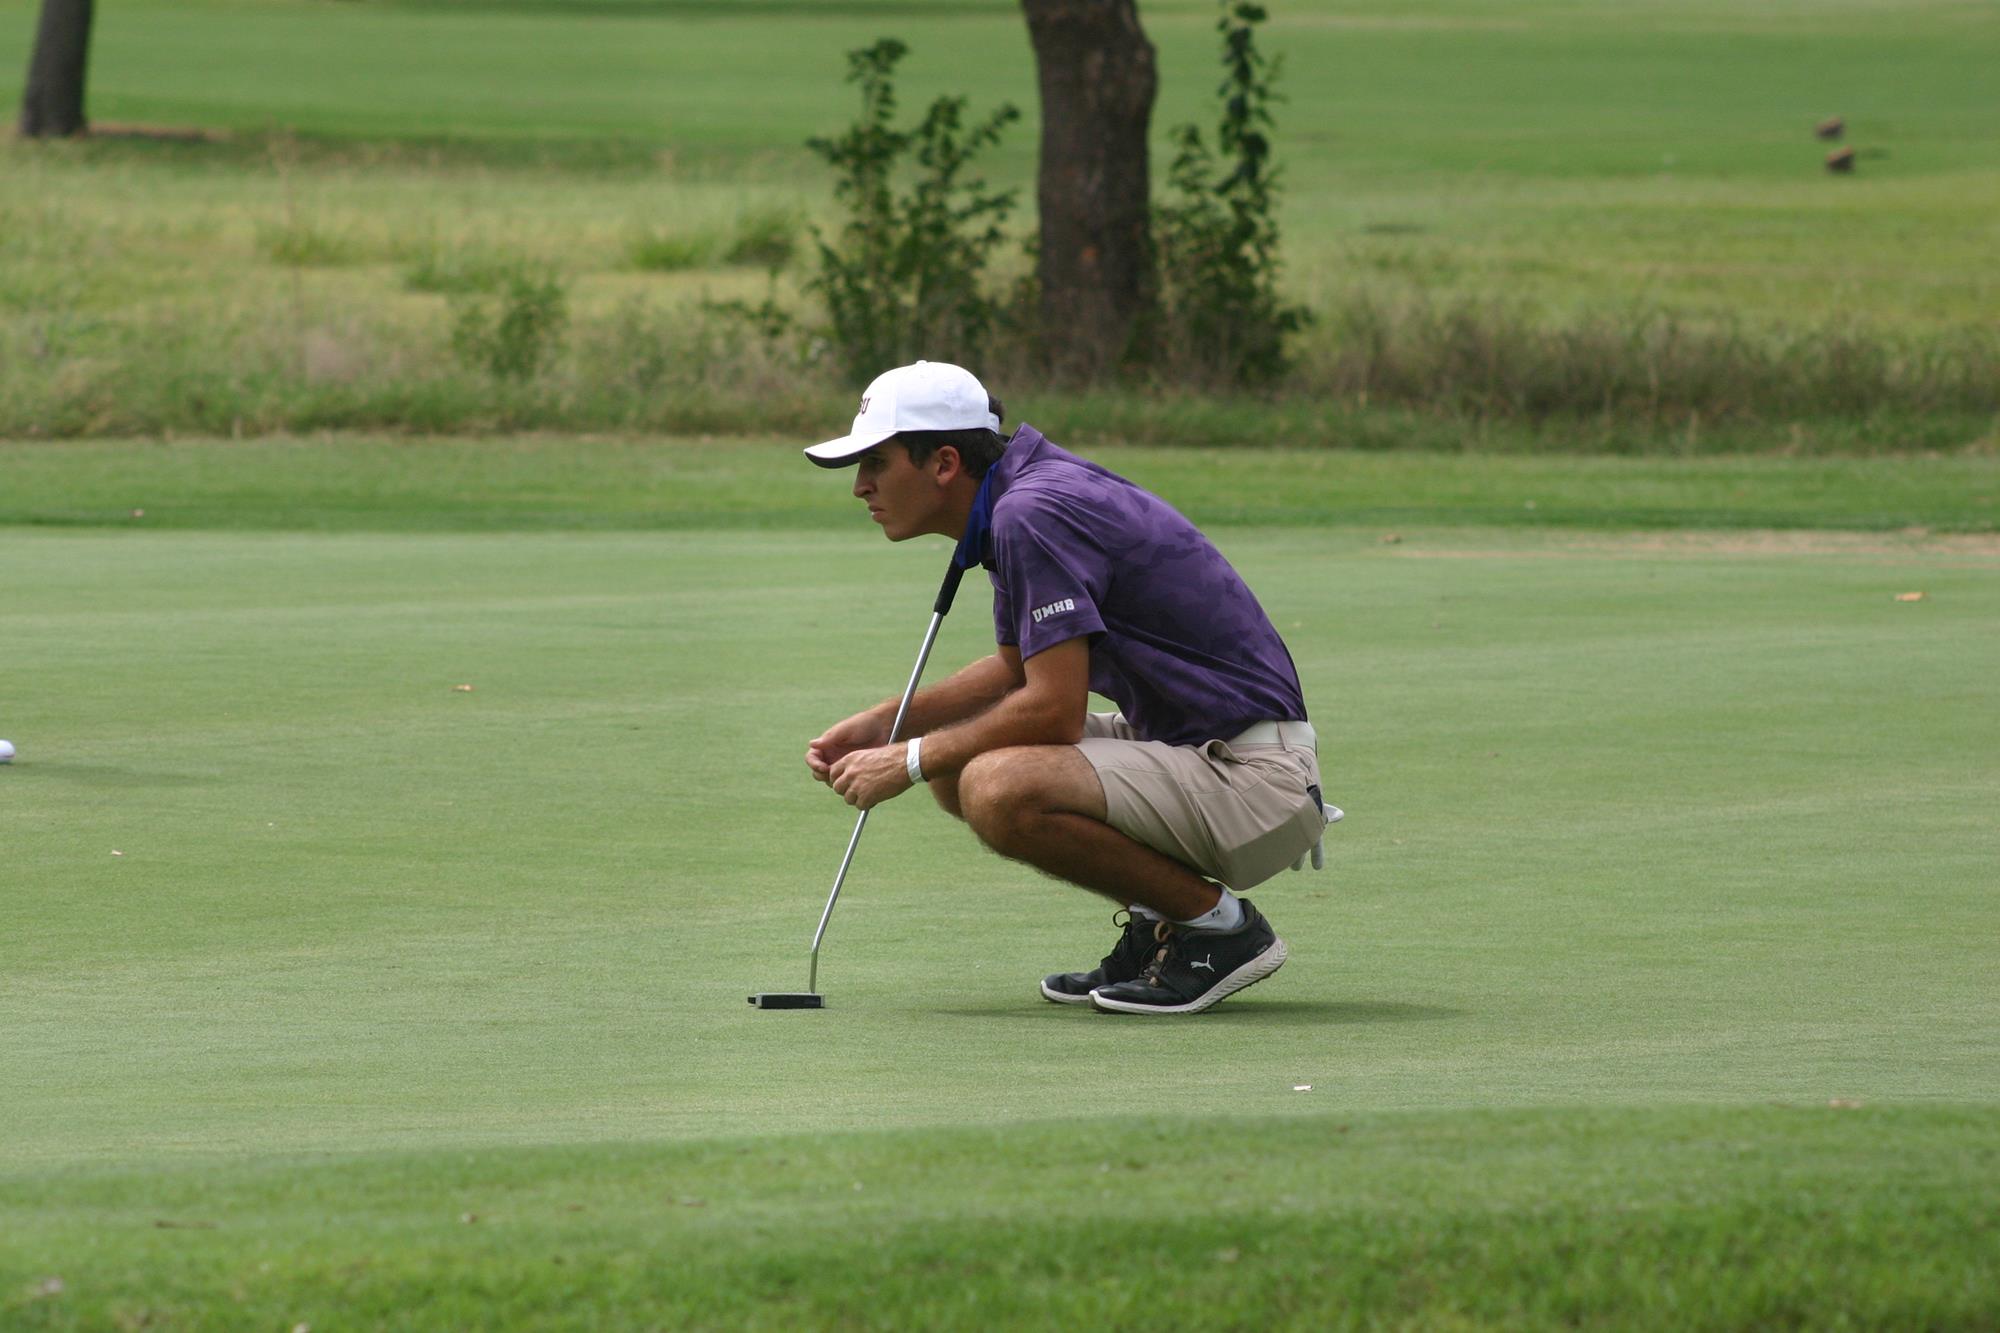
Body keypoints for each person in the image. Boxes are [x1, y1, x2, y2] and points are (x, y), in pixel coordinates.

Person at [803, 360, 1333, 1015]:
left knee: (994, 785)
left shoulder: (1030, 512)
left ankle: (1217, 928)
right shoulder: (1016, 499)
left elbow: (1054, 709)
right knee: (955, 761)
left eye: (876, 463)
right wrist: (892, 721)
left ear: (943, 463)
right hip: (1201, 749)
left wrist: (905, 760)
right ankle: (1163, 917)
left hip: (1254, 779)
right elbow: (1014, 667)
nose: (860, 486)